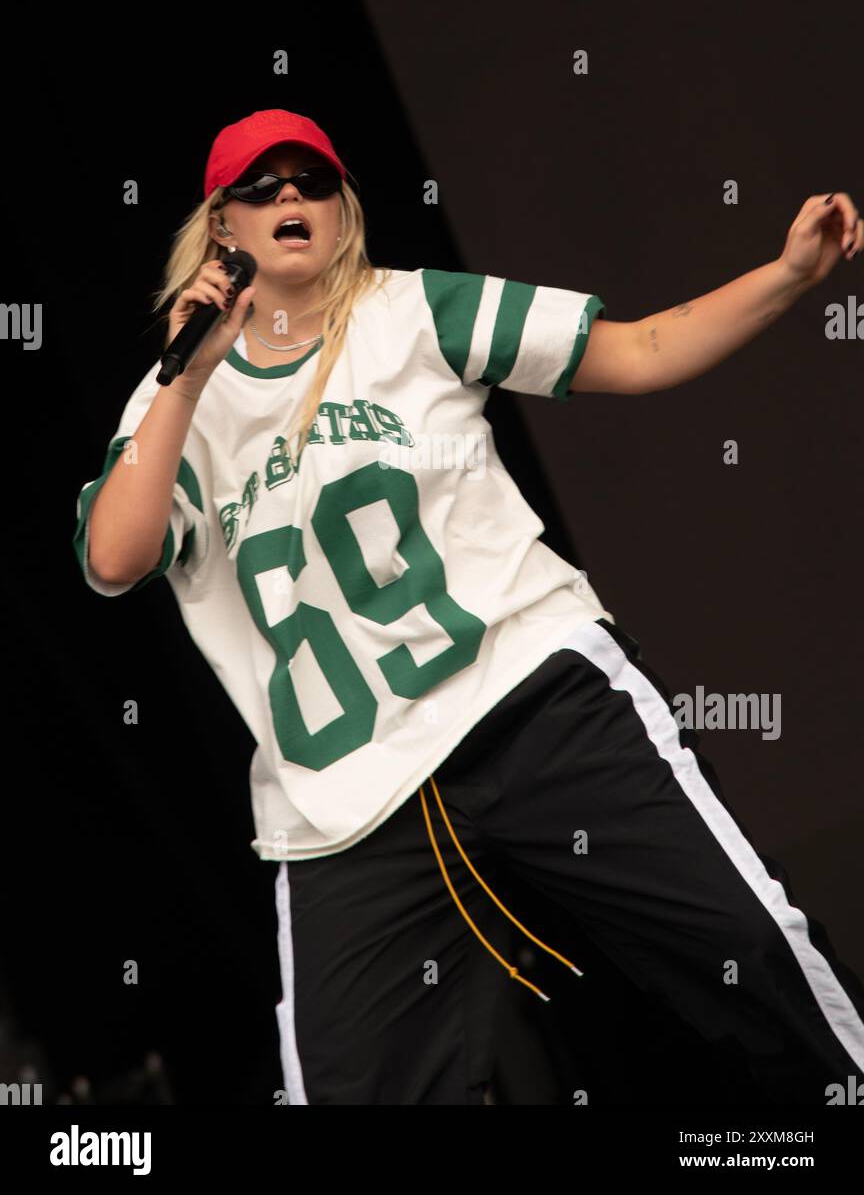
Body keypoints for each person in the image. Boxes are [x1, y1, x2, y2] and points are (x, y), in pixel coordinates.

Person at [73, 108, 864, 1106]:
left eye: (309, 181)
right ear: (222, 224)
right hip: (350, 804)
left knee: (751, 948)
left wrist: (789, 274)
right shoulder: (178, 393)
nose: (288, 199)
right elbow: (113, 559)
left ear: (340, 205)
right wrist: (185, 373)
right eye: (260, 187)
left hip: (524, 698)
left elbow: (635, 352)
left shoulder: (412, 311)